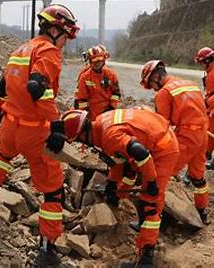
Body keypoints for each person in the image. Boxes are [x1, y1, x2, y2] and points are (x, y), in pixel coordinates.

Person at [0, 4, 79, 266]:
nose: (65, 42)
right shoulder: (48, 52)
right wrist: (56, 125)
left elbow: (2, 85)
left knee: (1, 157)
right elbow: (38, 88)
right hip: (34, 130)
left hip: (10, 125)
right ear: (54, 29)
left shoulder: (21, 49)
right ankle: (46, 249)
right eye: (65, 35)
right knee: (52, 191)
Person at [60, 108, 179, 267]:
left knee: (150, 203)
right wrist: (112, 184)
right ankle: (135, 214)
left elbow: (140, 152)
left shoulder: (109, 136)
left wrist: (150, 182)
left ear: (82, 135)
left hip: (163, 149)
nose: (82, 145)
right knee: (130, 170)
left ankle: (145, 259)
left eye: (78, 140)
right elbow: (119, 160)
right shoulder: (101, 123)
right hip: (156, 138)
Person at [140, 60, 209, 223]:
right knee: (198, 178)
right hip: (203, 134)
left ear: (156, 77)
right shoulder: (189, 84)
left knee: (160, 176)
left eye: (151, 84)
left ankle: (156, 219)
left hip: (187, 138)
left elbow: (162, 125)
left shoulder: (164, 93)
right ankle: (202, 212)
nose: (153, 89)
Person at [74, 44, 121, 120]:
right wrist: (85, 116)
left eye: (100, 60)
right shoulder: (85, 77)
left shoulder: (111, 75)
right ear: (90, 61)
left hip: (108, 113)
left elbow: (116, 94)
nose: (97, 63)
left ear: (104, 59)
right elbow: (82, 99)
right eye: (94, 61)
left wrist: (111, 107)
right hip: (91, 114)